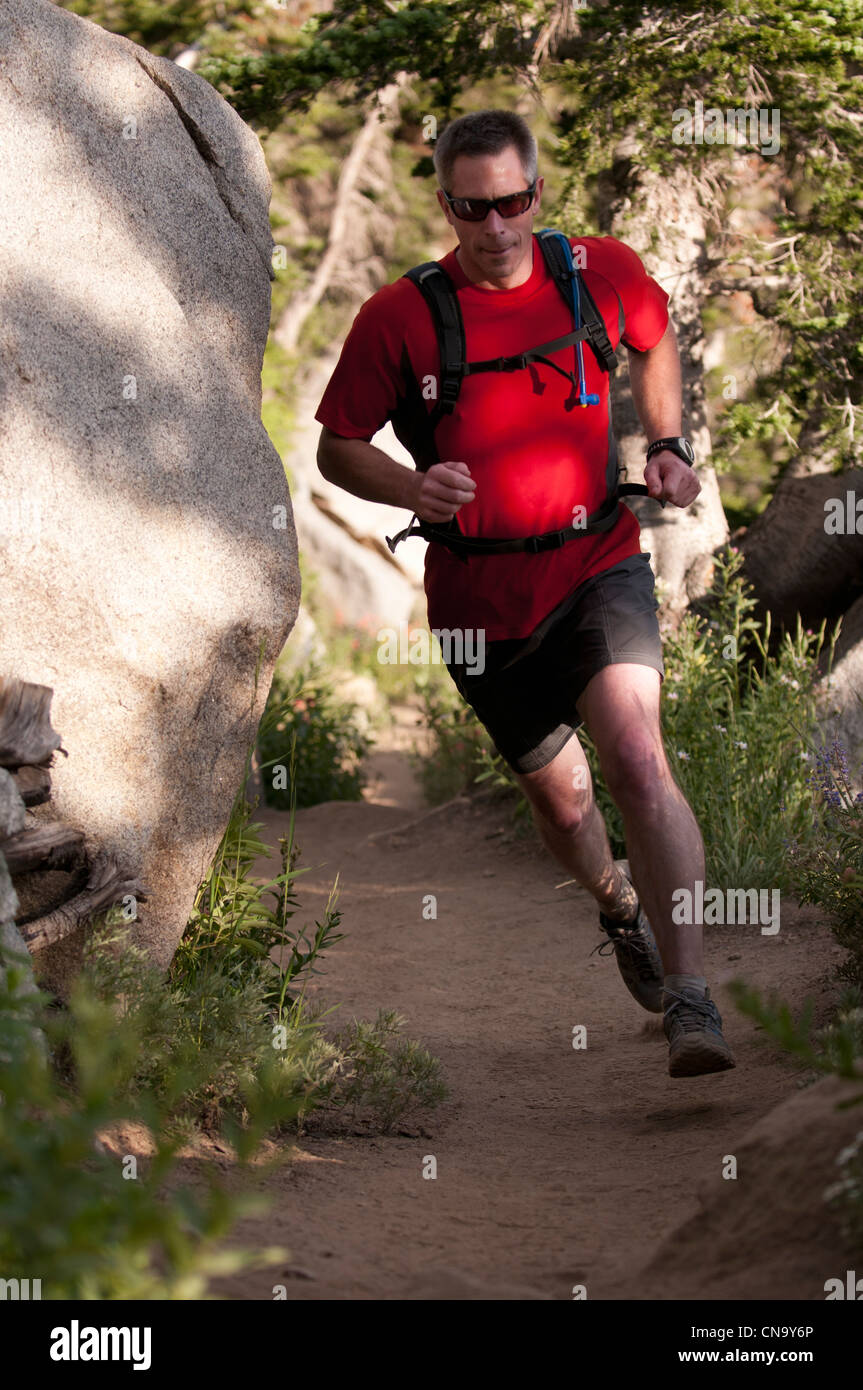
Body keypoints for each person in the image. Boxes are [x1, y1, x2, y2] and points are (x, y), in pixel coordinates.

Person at [314, 108, 735, 1079]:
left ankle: (690, 996)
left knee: (635, 756)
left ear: (536, 194)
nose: (495, 226)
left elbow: (654, 334)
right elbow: (337, 444)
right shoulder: (402, 316)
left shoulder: (596, 273)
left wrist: (664, 445)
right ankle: (616, 905)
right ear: (444, 203)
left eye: (511, 202)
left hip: (597, 561)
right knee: (560, 797)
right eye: (472, 207)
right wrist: (410, 486)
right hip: (476, 603)